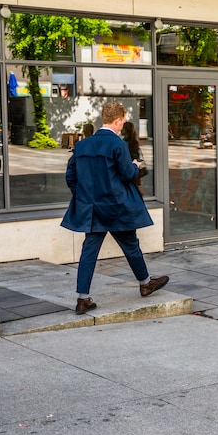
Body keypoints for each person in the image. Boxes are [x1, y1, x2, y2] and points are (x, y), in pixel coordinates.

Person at [61, 102, 168, 314]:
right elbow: (127, 174)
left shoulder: (83, 145)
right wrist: (135, 166)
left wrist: (85, 196)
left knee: (88, 252)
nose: (123, 126)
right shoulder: (117, 144)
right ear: (117, 121)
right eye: (123, 122)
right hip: (117, 208)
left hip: (92, 209)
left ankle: (83, 299)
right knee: (130, 246)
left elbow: (71, 177)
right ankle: (145, 283)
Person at [121, 121, 146, 192]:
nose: (121, 130)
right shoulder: (134, 142)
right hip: (134, 168)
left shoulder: (124, 143)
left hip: (129, 169)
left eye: (123, 128)